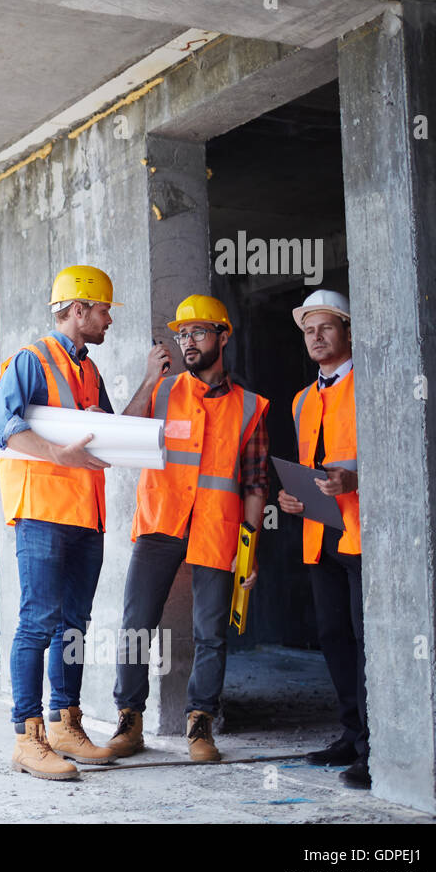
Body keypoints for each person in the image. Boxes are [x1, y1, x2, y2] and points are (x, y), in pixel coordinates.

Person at [105, 294, 269, 762]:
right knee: (136, 624)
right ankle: (129, 721)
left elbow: (256, 482)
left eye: (198, 331)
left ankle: (201, 724)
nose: (187, 341)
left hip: (217, 529)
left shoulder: (251, 406)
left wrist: (250, 547)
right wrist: (146, 380)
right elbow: (120, 440)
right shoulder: (161, 391)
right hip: (160, 522)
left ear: (223, 336)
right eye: (182, 334)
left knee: (211, 633)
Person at [0, 264, 120, 781]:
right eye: (103, 309)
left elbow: (110, 432)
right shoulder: (32, 359)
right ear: (79, 308)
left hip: (86, 514)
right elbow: (0, 425)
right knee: (38, 620)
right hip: (43, 510)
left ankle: (66, 723)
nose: (109, 319)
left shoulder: (89, 370)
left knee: (74, 624)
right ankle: (28, 736)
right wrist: (58, 456)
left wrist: (153, 383)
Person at [278, 290, 369, 788]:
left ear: (348, 332)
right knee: (334, 637)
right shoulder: (302, 399)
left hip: (363, 532)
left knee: (366, 640)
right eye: (309, 330)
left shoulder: (370, 383)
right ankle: (352, 736)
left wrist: (354, 480)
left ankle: (377, 749)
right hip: (320, 535)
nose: (315, 337)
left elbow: (394, 450)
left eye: (326, 327)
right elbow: (309, 466)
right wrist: (292, 499)